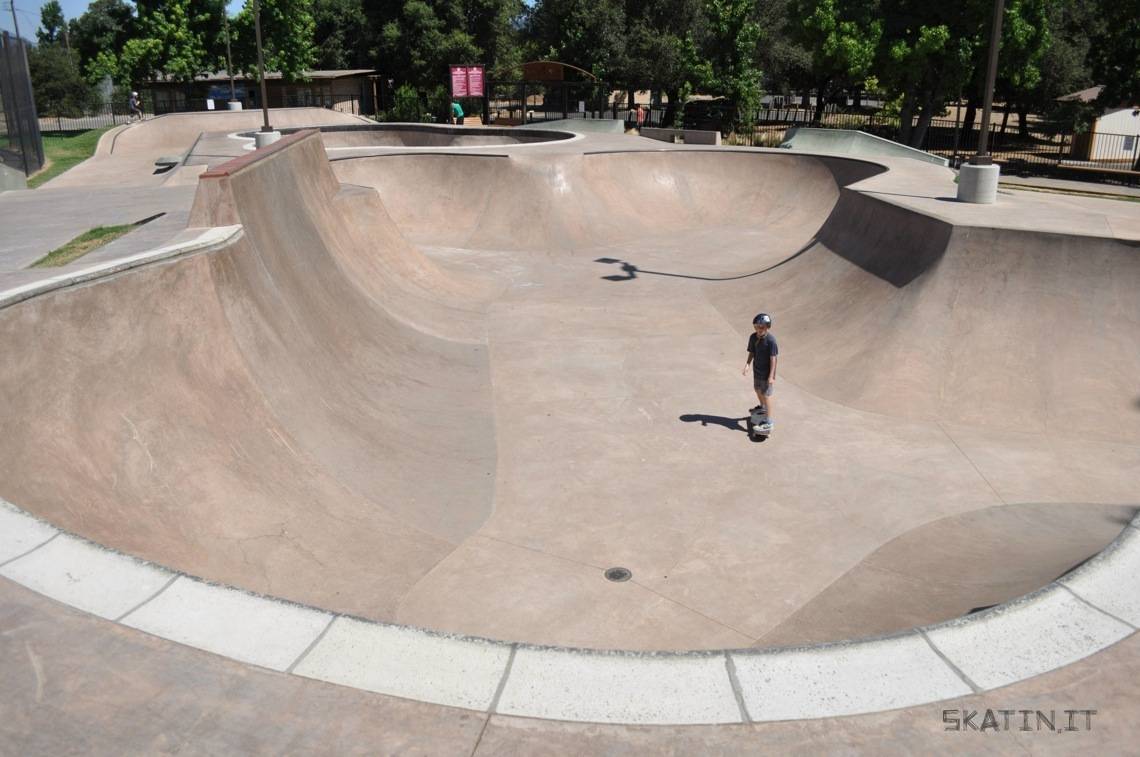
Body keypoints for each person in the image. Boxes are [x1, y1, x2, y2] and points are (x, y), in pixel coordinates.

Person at [742, 313, 778, 430]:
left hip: (767, 374)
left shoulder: (771, 341)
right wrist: (747, 364)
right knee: (757, 390)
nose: (758, 330)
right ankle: (762, 407)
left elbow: (773, 359)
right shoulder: (753, 337)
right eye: (756, 327)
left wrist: (771, 376)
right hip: (757, 371)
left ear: (767, 327)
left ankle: (768, 422)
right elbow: (752, 352)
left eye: (761, 327)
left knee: (766, 395)